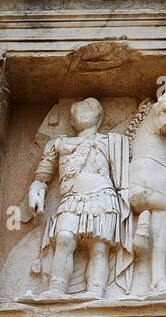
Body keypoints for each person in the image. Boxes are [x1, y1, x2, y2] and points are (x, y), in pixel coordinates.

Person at [27, 97, 133, 298]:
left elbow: (129, 175)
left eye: (90, 108)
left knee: (99, 245)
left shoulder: (111, 142)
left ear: (99, 117)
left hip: (103, 198)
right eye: (79, 110)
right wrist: (35, 192)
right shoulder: (59, 144)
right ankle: (57, 289)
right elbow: (42, 178)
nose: (85, 111)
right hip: (71, 199)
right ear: (72, 120)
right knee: (65, 239)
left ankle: (95, 290)